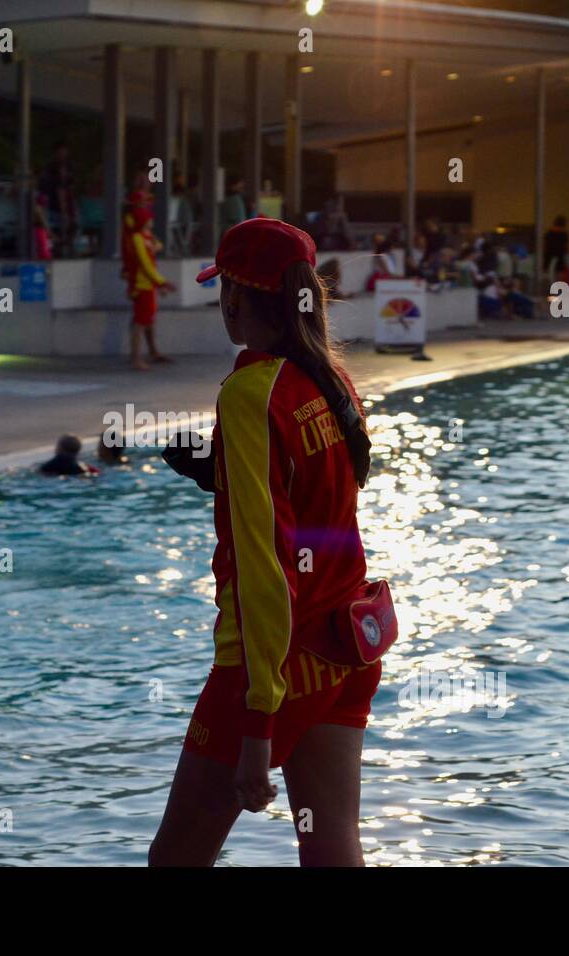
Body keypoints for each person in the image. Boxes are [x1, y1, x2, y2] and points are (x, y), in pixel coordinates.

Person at [149, 218, 389, 868]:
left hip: (270, 670)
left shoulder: (250, 395)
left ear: (235, 296)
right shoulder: (331, 381)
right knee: (332, 850)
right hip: (347, 648)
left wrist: (258, 724)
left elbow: (265, 570)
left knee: (174, 861)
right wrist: (222, 472)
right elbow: (321, 495)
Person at [122, 205, 177, 370]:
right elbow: (145, 265)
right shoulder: (137, 238)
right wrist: (162, 282)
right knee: (140, 322)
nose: (152, 221)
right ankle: (135, 358)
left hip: (148, 284)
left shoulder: (144, 236)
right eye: (149, 218)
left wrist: (158, 284)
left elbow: (157, 245)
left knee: (148, 320)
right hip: (141, 285)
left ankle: (153, 352)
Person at [39, 142, 77, 257]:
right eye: (60, 151)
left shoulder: (69, 166)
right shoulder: (51, 168)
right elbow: (57, 190)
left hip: (66, 203)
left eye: (64, 151)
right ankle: (58, 247)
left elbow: (71, 186)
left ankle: (65, 246)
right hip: (54, 204)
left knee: (70, 225)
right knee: (58, 226)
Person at [219, 174, 248, 241]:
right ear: (234, 184)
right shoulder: (231, 198)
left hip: (235, 230)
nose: (242, 185)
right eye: (240, 183)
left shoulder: (236, 197)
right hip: (232, 231)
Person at [543, 215, 569, 282]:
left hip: (549, 255)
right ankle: (559, 287)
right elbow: (566, 246)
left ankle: (550, 286)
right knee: (559, 273)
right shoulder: (564, 234)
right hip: (560, 255)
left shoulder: (549, 233)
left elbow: (545, 245)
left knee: (549, 272)